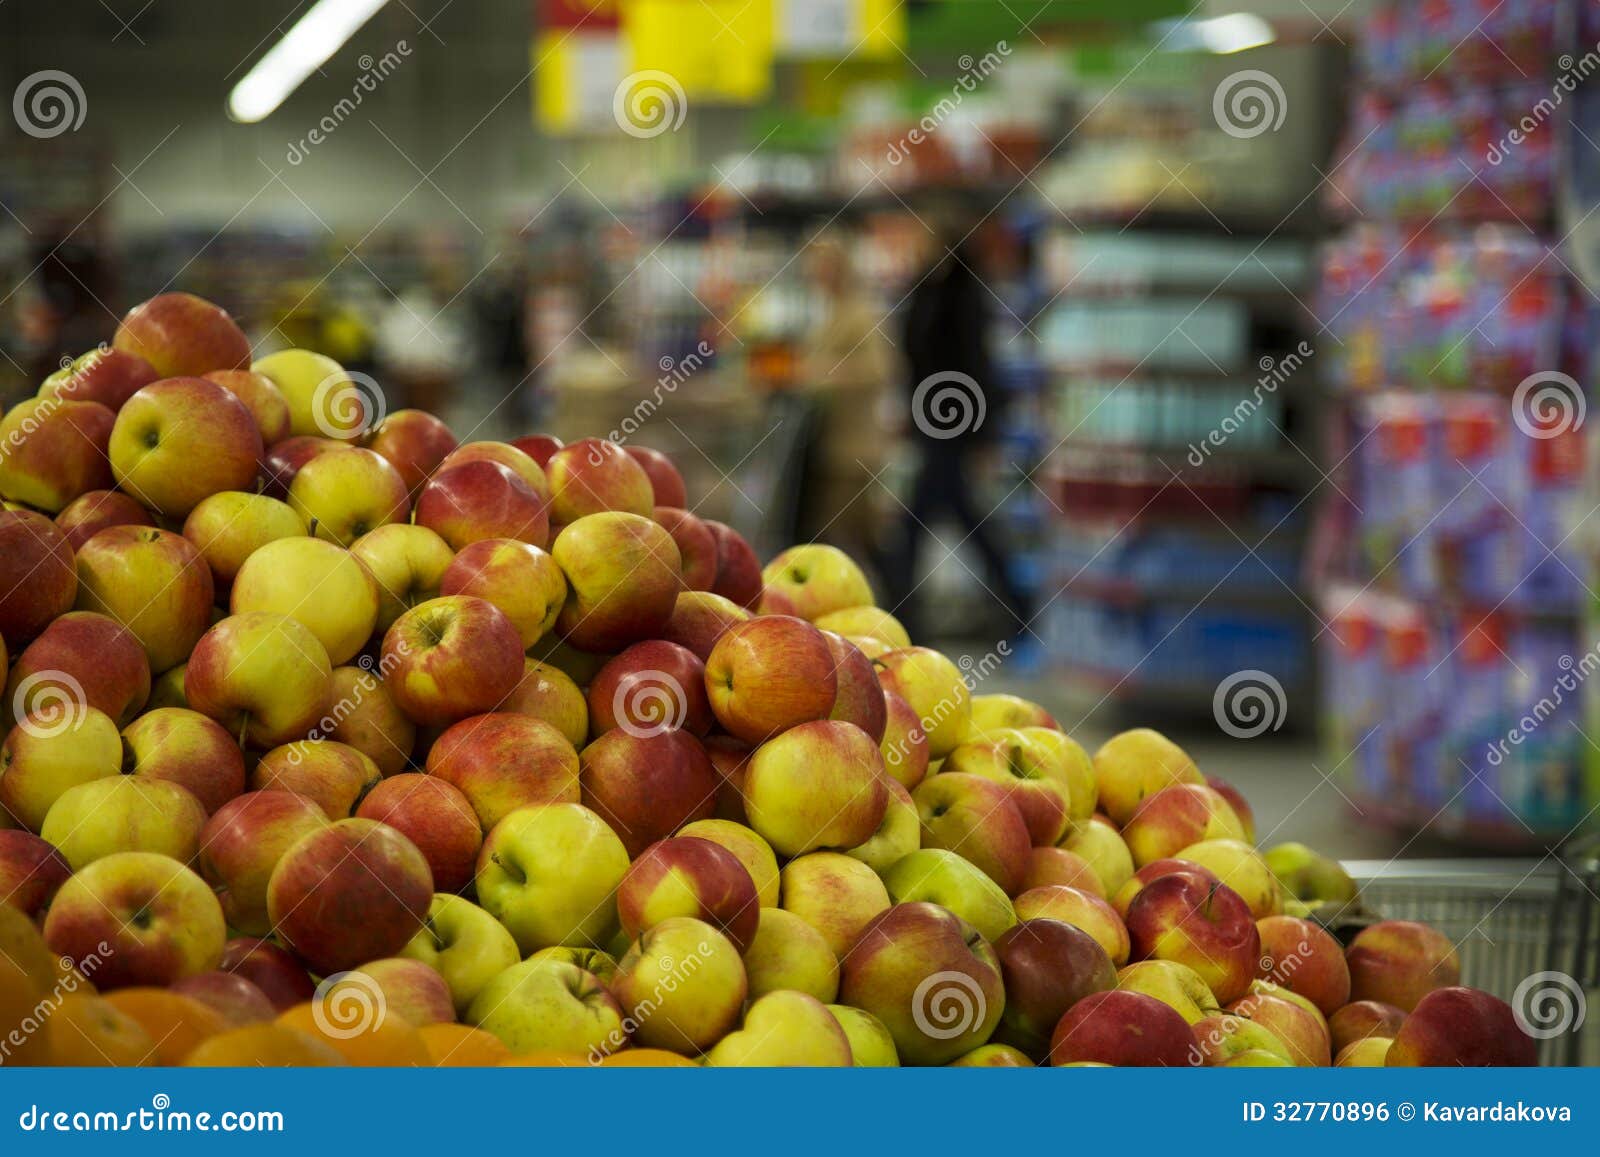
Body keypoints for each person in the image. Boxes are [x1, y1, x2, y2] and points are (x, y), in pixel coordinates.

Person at [889, 209, 1030, 643]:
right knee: (958, 516)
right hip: (929, 423)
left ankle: (902, 616)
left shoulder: (965, 295)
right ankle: (1017, 606)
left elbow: (977, 365)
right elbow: (912, 358)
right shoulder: (924, 288)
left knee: (919, 521)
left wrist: (983, 435)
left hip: (955, 425)